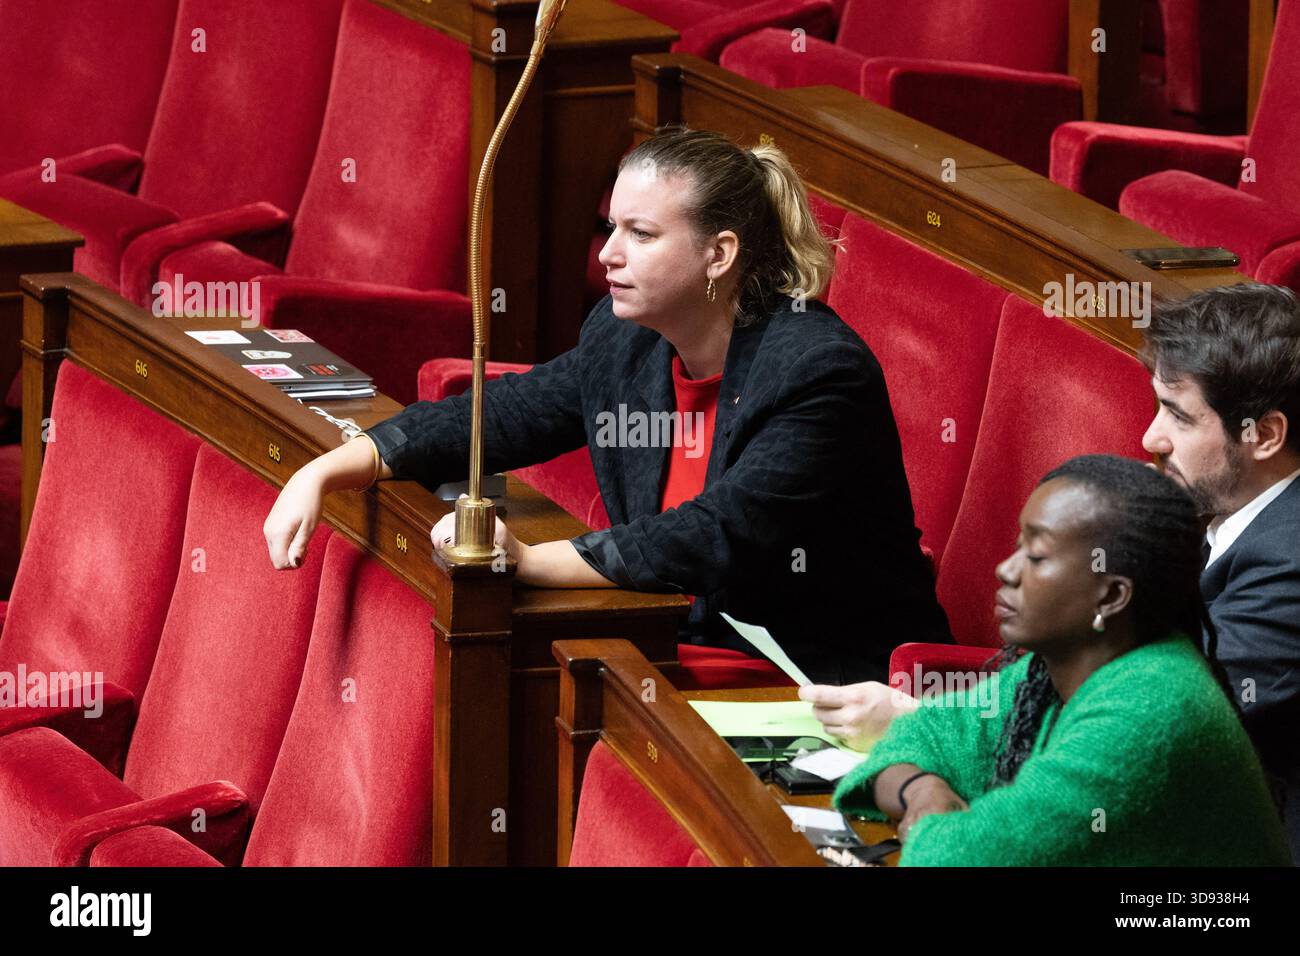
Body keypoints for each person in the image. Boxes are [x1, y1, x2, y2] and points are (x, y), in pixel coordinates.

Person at [263, 126, 950, 684]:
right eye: (610, 227)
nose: (610, 255)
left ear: (720, 253)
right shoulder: (626, 339)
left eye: (641, 234)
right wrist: (332, 468)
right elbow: (508, 414)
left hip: (827, 683)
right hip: (682, 652)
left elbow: (715, 534)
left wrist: (530, 562)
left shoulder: (817, 370)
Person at [832, 455, 1290, 866]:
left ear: (1110, 596)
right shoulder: (1066, 664)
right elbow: (924, 732)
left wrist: (930, 814)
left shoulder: (1150, 711)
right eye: (1017, 547)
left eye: (1036, 556)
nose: (1005, 570)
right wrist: (925, 790)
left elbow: (961, 857)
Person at [1140, 283, 1300, 862]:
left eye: (1179, 416)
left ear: (1264, 436)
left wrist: (933, 715)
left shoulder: (1290, 563)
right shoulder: (1224, 517)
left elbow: (1158, 718)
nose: (1151, 438)